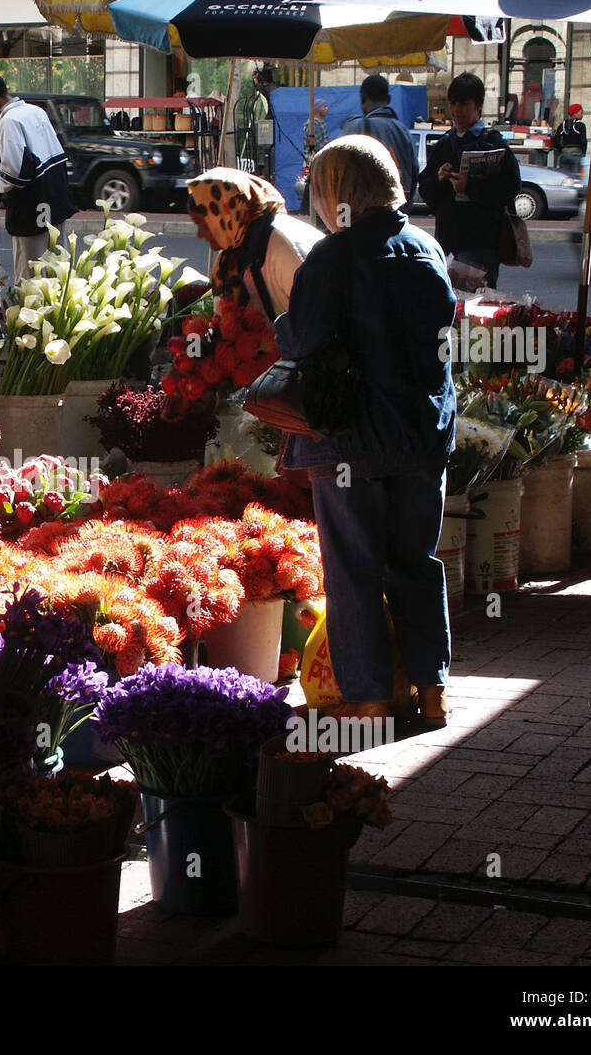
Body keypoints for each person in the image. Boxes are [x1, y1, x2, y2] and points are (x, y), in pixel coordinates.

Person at [272, 134, 457, 729]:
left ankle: (371, 700)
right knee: (416, 563)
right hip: (421, 437)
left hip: (346, 441)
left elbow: (302, 344)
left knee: (352, 570)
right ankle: (433, 694)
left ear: (337, 193)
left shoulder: (330, 258)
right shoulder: (427, 249)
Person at [417, 72, 521, 288]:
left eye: (464, 104)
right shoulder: (445, 144)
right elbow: (427, 191)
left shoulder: (493, 143)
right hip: (446, 244)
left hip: (481, 246)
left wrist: (471, 187)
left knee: (475, 313)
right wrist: (439, 179)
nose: (456, 110)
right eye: (453, 103)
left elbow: (510, 187)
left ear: (478, 105)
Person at [0, 71, 72, 283]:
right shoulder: (35, 111)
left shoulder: (9, 120)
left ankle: (32, 315)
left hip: (32, 203)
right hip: (56, 195)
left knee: (30, 272)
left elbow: (12, 171)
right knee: (58, 265)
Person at [186, 167, 322, 318]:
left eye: (205, 226)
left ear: (226, 214)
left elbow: (318, 320)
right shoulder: (230, 256)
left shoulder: (284, 246)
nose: (200, 235)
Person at [340, 74, 418, 205]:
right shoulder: (404, 132)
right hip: (396, 211)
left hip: (361, 215)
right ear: (388, 99)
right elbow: (414, 174)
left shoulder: (353, 130)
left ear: (363, 98)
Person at [553, 103, 587, 176]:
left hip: (564, 155)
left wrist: (561, 150)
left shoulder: (562, 125)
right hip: (576, 155)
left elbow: (555, 141)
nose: (582, 114)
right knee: (575, 178)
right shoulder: (580, 125)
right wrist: (583, 153)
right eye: (581, 112)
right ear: (575, 113)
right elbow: (583, 141)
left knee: (564, 177)